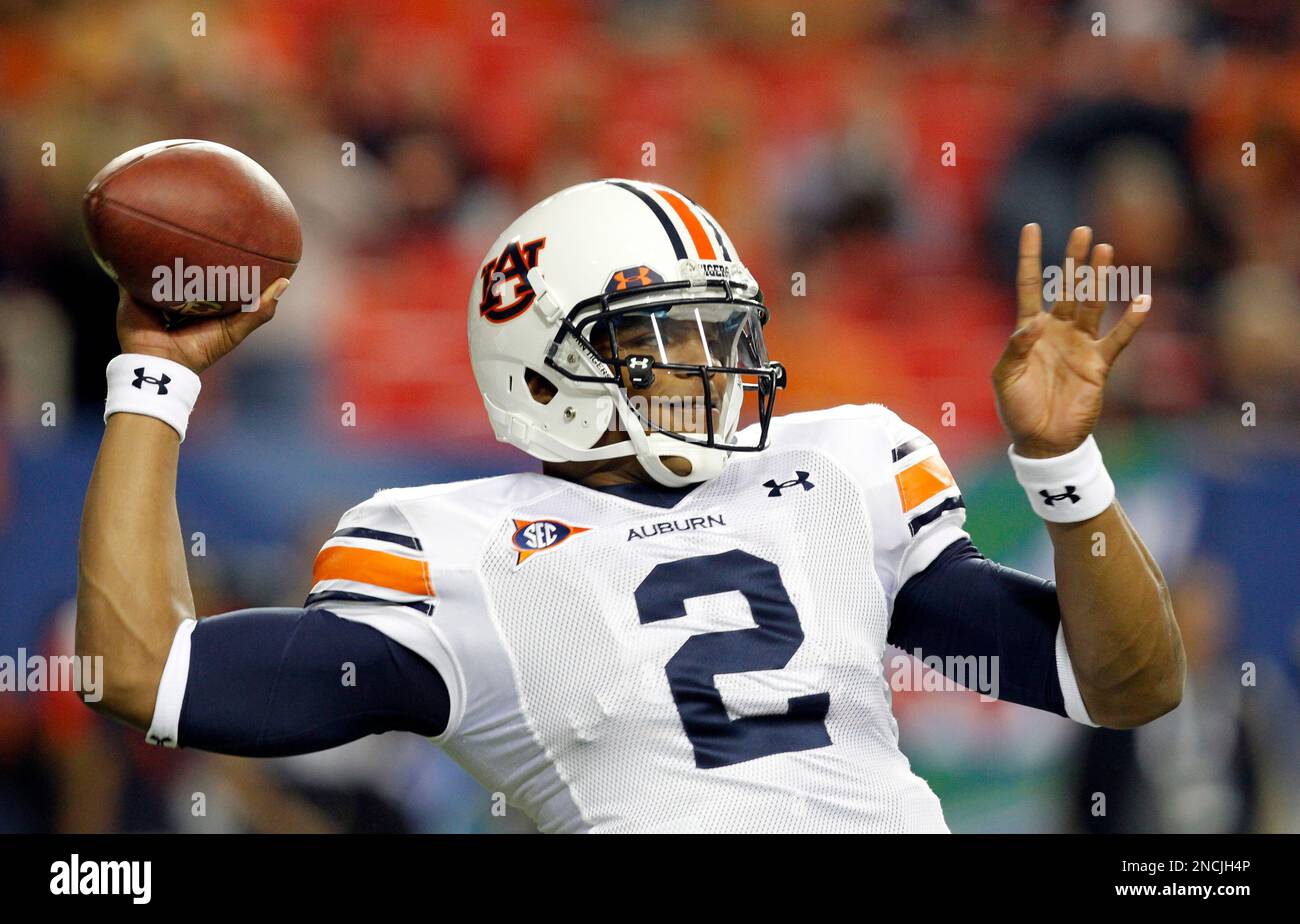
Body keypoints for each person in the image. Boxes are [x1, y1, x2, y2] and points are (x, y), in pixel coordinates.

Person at [76, 179, 1183, 833]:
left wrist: (1063, 466)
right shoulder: (450, 552)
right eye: (667, 339)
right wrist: (154, 376)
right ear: (541, 373)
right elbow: (144, 670)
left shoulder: (839, 467)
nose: (721, 364)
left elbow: (1128, 685)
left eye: (724, 327)